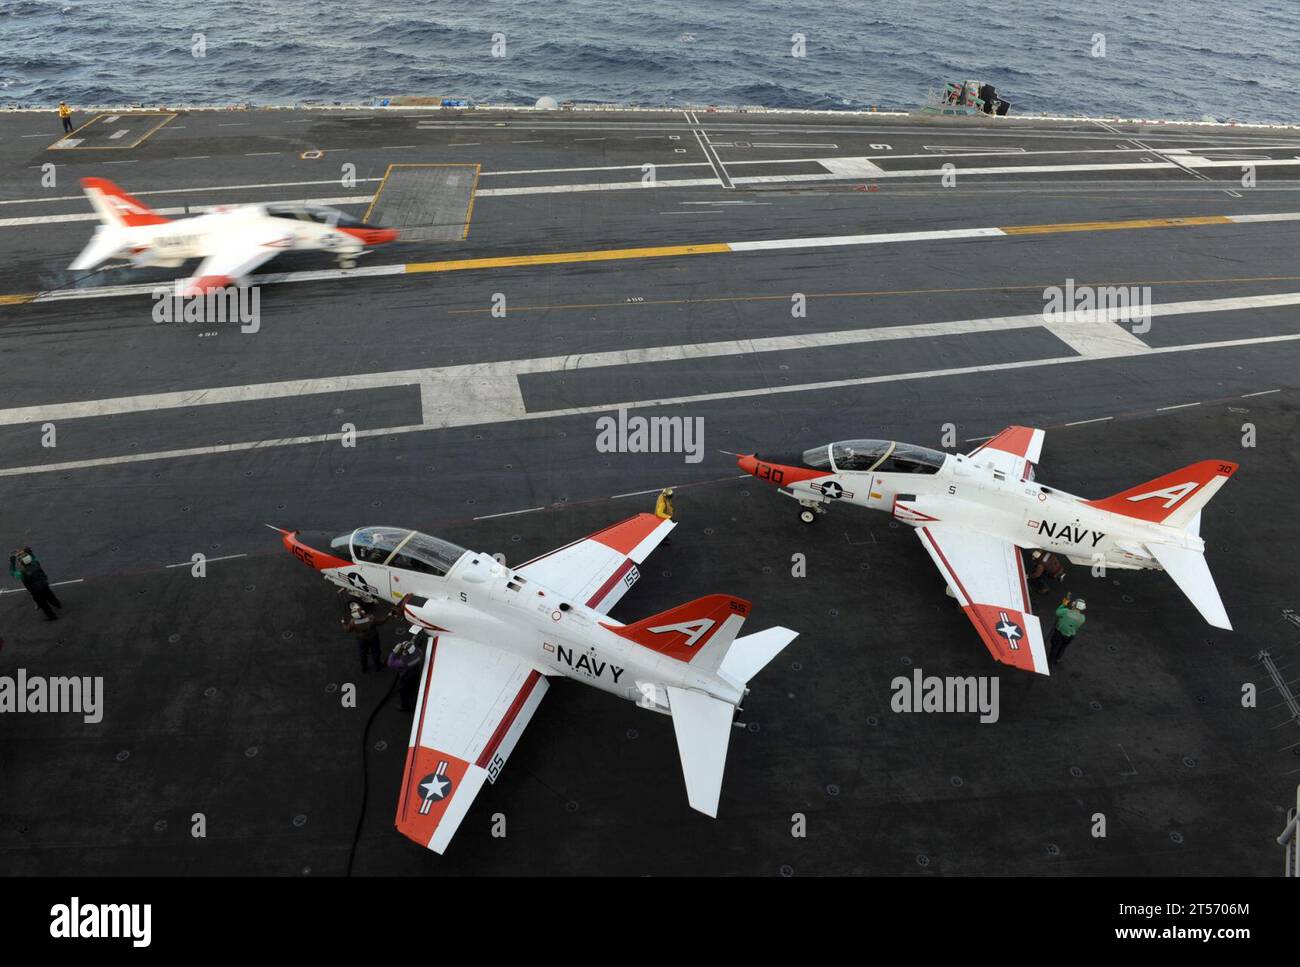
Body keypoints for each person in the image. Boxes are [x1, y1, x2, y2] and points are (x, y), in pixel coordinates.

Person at [9, 546, 62, 621]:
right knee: (50, 596)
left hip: (35, 591)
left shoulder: (22, 573)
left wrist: (12, 563)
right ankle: (58, 604)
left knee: (43, 604)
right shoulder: (36, 564)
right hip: (44, 585)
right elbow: (34, 558)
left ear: (21, 563)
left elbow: (12, 573)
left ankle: (52, 616)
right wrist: (30, 553)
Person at [341, 600, 391, 673]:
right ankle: (378, 666)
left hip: (362, 639)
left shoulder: (353, 622)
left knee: (363, 654)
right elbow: (381, 622)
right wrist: (388, 616)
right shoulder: (370, 618)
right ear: (362, 613)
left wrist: (343, 623)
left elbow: (347, 630)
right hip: (373, 637)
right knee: (376, 652)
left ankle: (364, 668)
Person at [388, 631, 427, 711]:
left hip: (406, 676)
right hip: (415, 674)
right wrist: (413, 639)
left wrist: (394, 652)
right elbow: (414, 648)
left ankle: (404, 706)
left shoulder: (403, 662)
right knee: (413, 686)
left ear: (406, 652)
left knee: (403, 692)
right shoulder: (419, 653)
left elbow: (390, 663)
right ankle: (413, 694)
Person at [1049, 594, 1087, 664]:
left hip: (1059, 633)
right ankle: (1057, 659)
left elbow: (1057, 612)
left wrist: (1064, 603)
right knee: (1063, 647)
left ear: (1073, 604)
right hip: (1070, 636)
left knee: (1055, 647)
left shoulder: (1066, 611)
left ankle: (1050, 662)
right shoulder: (1082, 618)